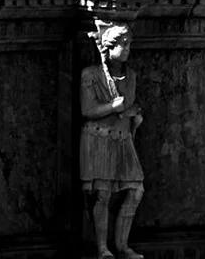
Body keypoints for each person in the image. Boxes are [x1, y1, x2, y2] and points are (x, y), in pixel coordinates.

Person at [81, 22, 144, 259]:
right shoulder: (91, 74)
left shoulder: (131, 76)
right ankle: (102, 248)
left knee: (136, 190)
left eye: (129, 44)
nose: (127, 49)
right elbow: (88, 109)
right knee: (103, 193)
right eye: (122, 44)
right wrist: (112, 106)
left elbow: (128, 108)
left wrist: (133, 118)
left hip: (123, 137)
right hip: (98, 138)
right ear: (108, 46)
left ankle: (122, 244)